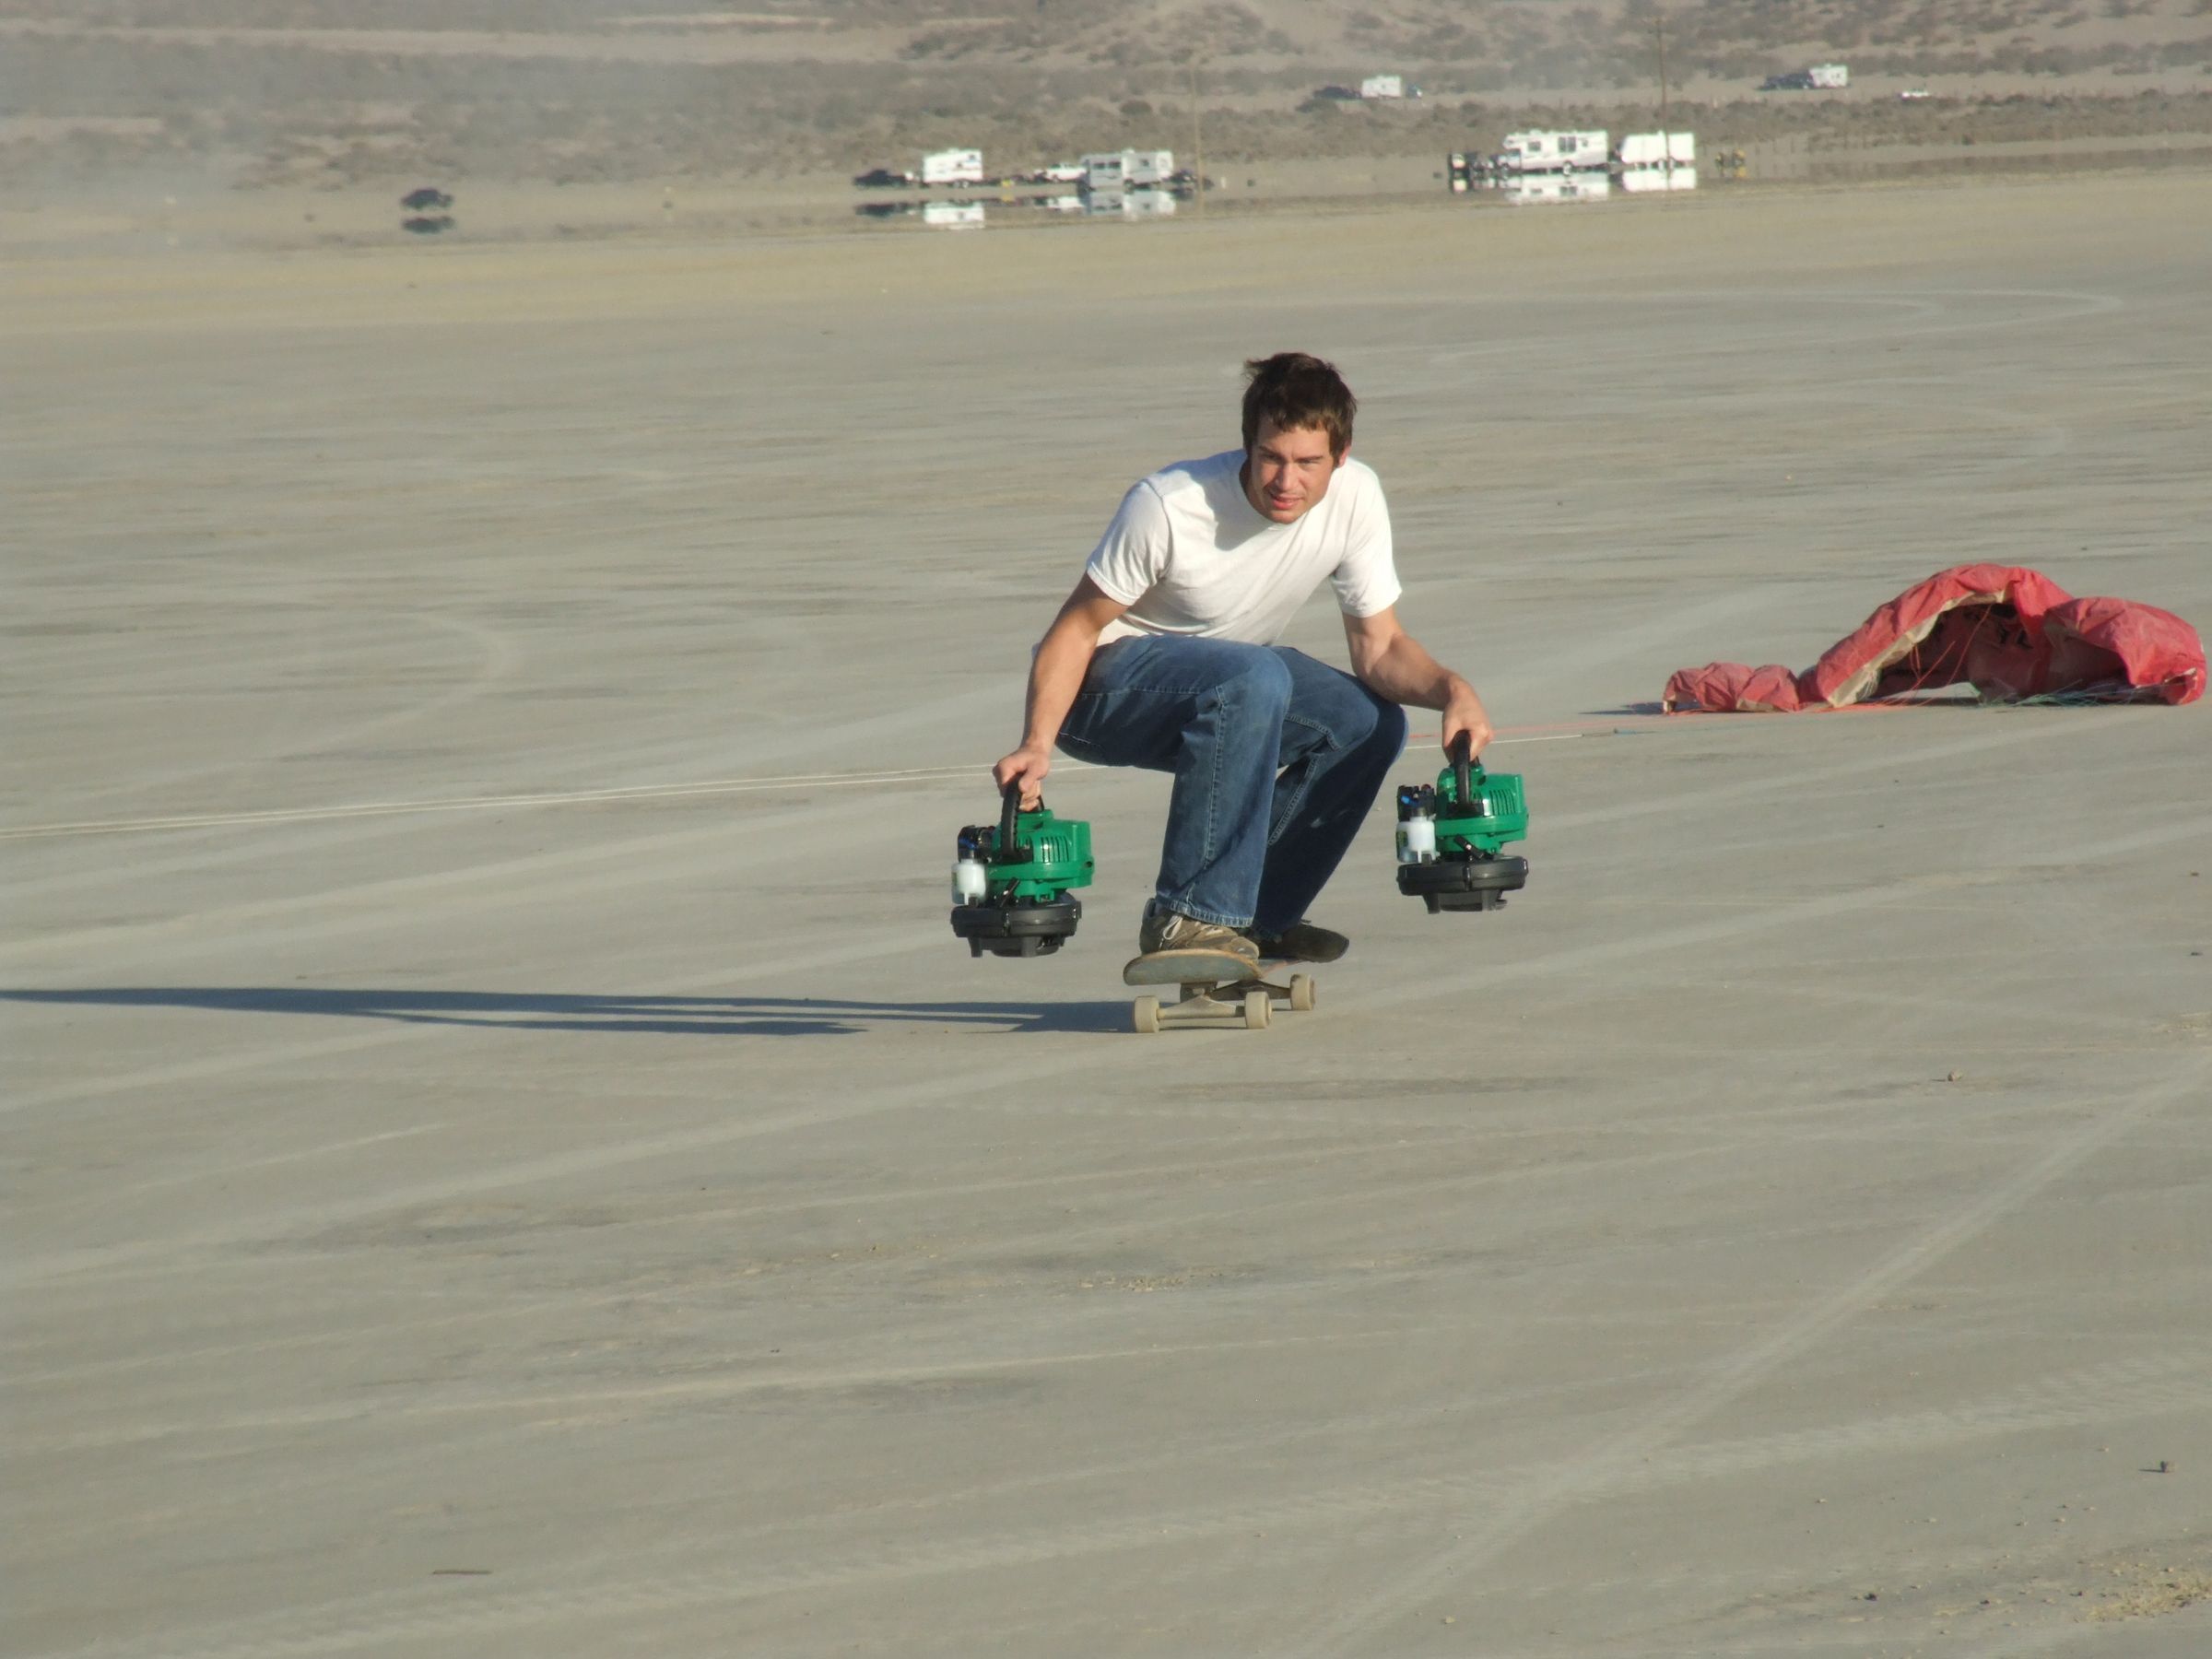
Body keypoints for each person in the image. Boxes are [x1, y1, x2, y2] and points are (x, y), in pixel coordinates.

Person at [991, 352, 1493, 969]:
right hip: (1099, 692)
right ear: (1247, 445)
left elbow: (1380, 646)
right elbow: (1074, 629)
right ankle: (1190, 917)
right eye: (1271, 457)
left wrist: (1453, 692)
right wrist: (1036, 744)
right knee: (1255, 674)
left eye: (1309, 463)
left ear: (1341, 455)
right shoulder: (1170, 505)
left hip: (1231, 688)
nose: (1287, 481)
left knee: (1368, 724)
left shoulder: (1357, 497)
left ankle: (1258, 918)